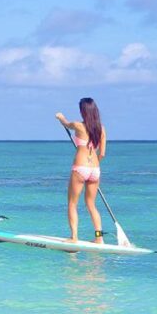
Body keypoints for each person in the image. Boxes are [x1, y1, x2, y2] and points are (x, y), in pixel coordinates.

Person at [56, 98, 107, 244]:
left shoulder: (78, 125)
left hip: (80, 168)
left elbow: (65, 123)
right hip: (95, 170)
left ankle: (74, 237)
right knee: (91, 205)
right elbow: (102, 154)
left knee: (72, 203)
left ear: (83, 111)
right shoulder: (101, 129)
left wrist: (60, 117)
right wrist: (93, 165)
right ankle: (99, 237)